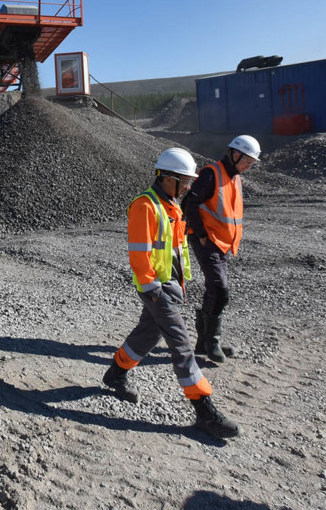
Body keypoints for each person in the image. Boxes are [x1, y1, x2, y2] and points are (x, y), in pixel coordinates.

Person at [102, 147, 240, 439]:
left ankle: (115, 373)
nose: (190, 186)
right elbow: (139, 254)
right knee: (181, 345)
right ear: (167, 178)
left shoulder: (171, 206)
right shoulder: (145, 206)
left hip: (168, 287)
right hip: (156, 289)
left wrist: (178, 285)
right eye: (186, 181)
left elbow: (175, 252)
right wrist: (153, 289)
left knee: (148, 334)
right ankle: (204, 410)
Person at [184, 134, 260, 364]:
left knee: (214, 290)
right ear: (235, 154)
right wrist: (203, 235)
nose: (249, 166)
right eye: (247, 161)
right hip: (207, 241)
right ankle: (212, 342)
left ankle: (204, 341)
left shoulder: (234, 176)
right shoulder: (211, 173)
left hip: (222, 243)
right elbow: (189, 204)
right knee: (220, 289)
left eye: (252, 163)